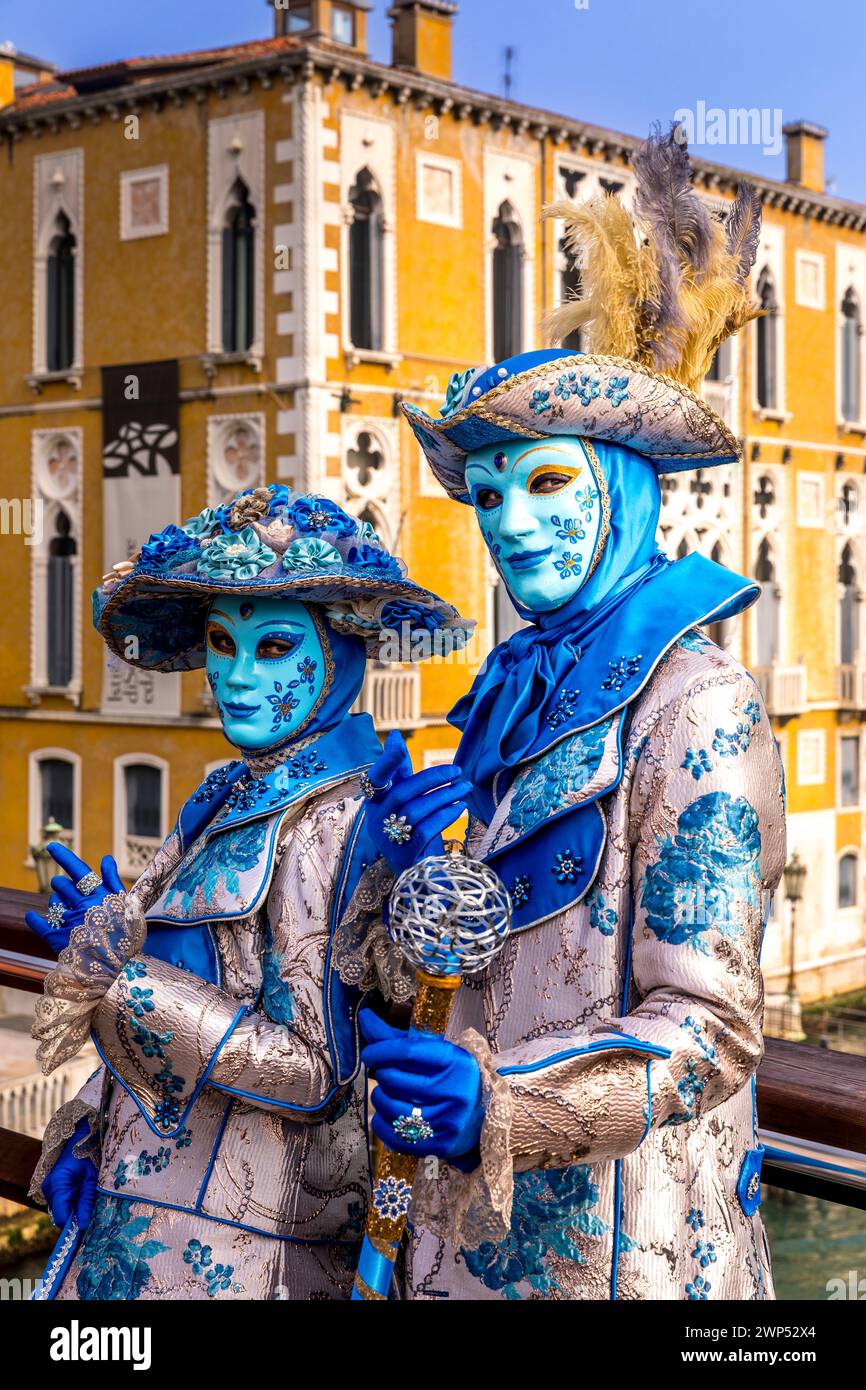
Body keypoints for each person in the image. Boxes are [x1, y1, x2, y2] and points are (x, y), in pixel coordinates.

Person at [354, 127, 787, 1300]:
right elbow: (464, 967)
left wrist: (501, 1102)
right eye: (488, 495)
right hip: (459, 1246)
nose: (507, 524)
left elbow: (709, 1028)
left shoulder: (697, 706)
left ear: (623, 486)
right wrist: (398, 874)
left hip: (624, 1259)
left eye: (544, 482)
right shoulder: (508, 699)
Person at [26, 482, 470, 1301]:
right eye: (222, 644)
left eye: (270, 648)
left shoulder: (343, 820)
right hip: (142, 1229)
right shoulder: (221, 799)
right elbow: (184, 1006)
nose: (232, 676)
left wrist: (118, 979)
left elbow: (311, 1072)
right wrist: (88, 1132)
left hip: (250, 1257)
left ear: (338, 654)